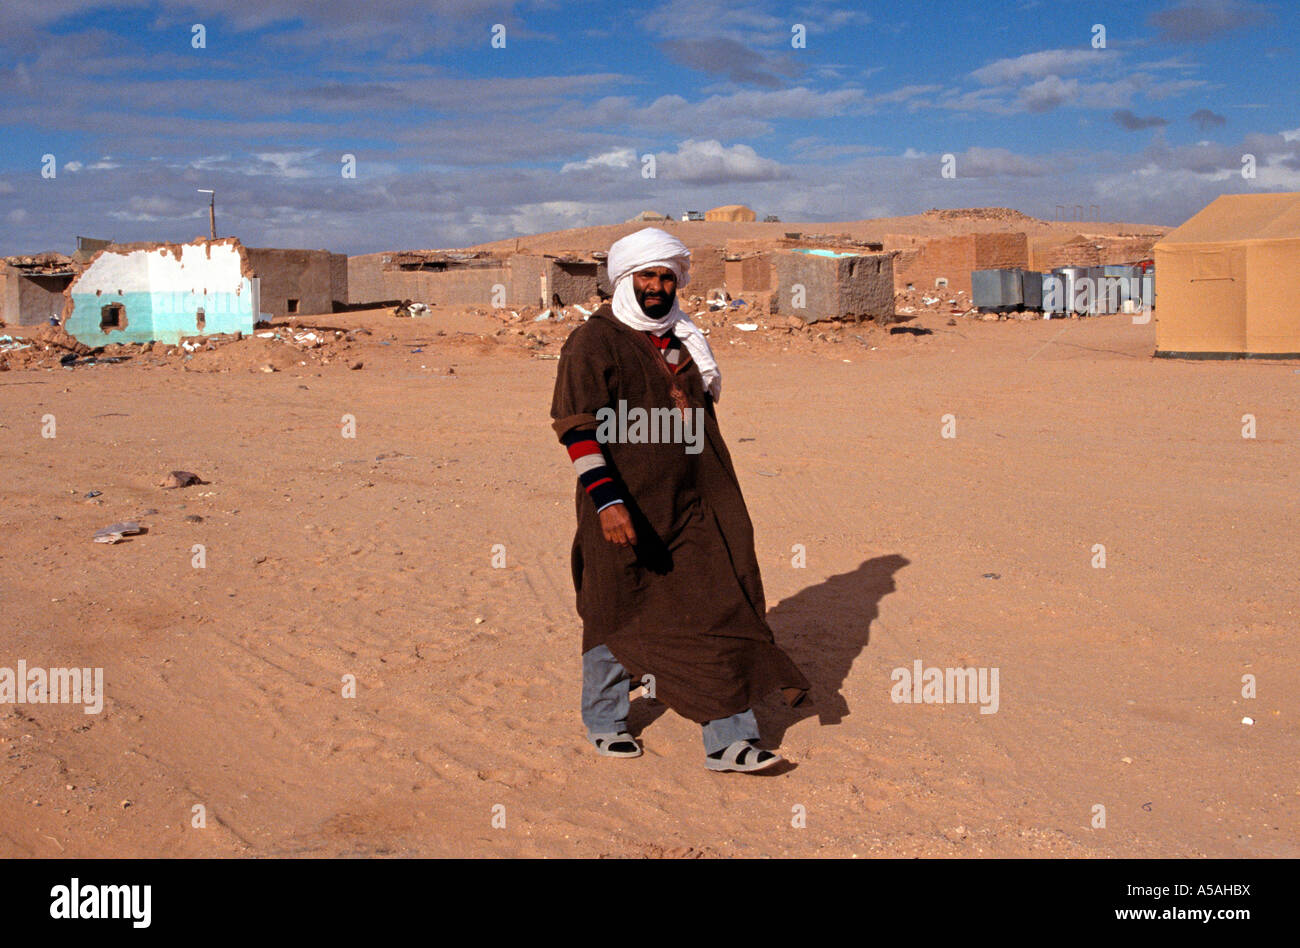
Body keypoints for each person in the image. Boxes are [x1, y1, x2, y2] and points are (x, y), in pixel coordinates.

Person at [550, 227, 810, 773]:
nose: (658, 286)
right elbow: (576, 429)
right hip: (624, 505)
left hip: (694, 505)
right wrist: (606, 502)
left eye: (668, 276)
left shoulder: (684, 341)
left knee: (719, 605)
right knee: (616, 609)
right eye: (648, 275)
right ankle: (605, 718)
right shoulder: (593, 342)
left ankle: (730, 740)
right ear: (625, 279)